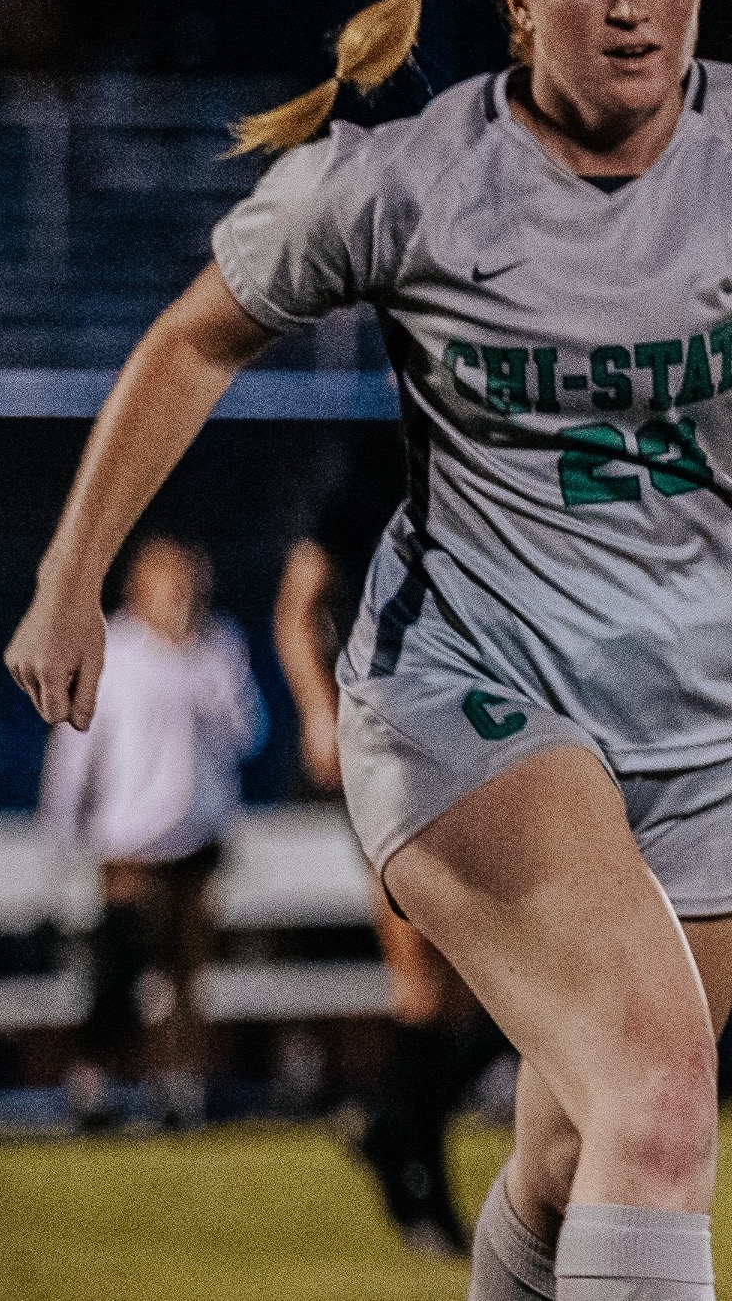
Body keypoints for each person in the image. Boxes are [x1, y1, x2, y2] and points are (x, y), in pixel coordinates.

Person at [5, 0, 732, 1301]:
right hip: (469, 693)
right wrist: (71, 574)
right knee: (663, 1092)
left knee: (571, 1151)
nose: (631, 2)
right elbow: (192, 343)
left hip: (719, 724)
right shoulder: (409, 178)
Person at [278, 427, 506, 1256]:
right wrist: (314, 710)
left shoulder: (499, 452)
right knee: (424, 977)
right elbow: (299, 601)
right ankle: (427, 1192)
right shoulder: (368, 463)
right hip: (388, 737)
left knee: (485, 990)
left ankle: (392, 1128)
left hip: (482, 740)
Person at [36, 533, 266, 1132]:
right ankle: (95, 1084)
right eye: (173, 587)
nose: (186, 600)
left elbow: (251, 733)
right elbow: (75, 749)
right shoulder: (112, 649)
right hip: (131, 843)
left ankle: (178, 1088)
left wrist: (215, 683)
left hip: (199, 837)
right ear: (141, 590)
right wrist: (60, 832)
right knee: (120, 968)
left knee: (187, 975)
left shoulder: (220, 647)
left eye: (192, 587)